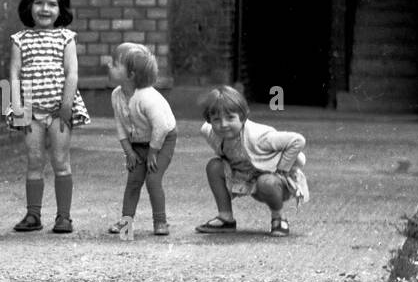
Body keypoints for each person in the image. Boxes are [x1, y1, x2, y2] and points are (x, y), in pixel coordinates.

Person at [6, 0, 90, 233]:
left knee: (60, 160)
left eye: (52, 4)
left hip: (58, 111)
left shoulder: (66, 38)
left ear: (60, 8)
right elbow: (14, 73)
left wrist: (66, 105)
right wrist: (18, 107)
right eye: (39, 3)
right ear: (28, 6)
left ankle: (63, 216)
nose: (45, 9)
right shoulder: (20, 40)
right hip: (31, 111)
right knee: (33, 161)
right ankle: (33, 215)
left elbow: (72, 72)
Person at [196, 85, 308, 237]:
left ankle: (279, 217)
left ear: (242, 117)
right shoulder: (208, 131)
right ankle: (226, 218)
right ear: (209, 120)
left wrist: (283, 169)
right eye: (216, 119)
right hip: (244, 176)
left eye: (230, 118)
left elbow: (297, 140)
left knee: (266, 182)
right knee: (214, 166)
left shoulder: (259, 137)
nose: (223, 125)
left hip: (274, 178)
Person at [106, 42, 177, 238]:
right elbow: (120, 125)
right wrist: (129, 152)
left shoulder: (147, 98)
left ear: (131, 75)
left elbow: (161, 127)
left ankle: (161, 222)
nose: (108, 65)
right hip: (137, 142)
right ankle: (126, 223)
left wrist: (153, 152)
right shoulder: (116, 95)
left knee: (153, 179)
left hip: (163, 140)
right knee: (133, 181)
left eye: (114, 63)